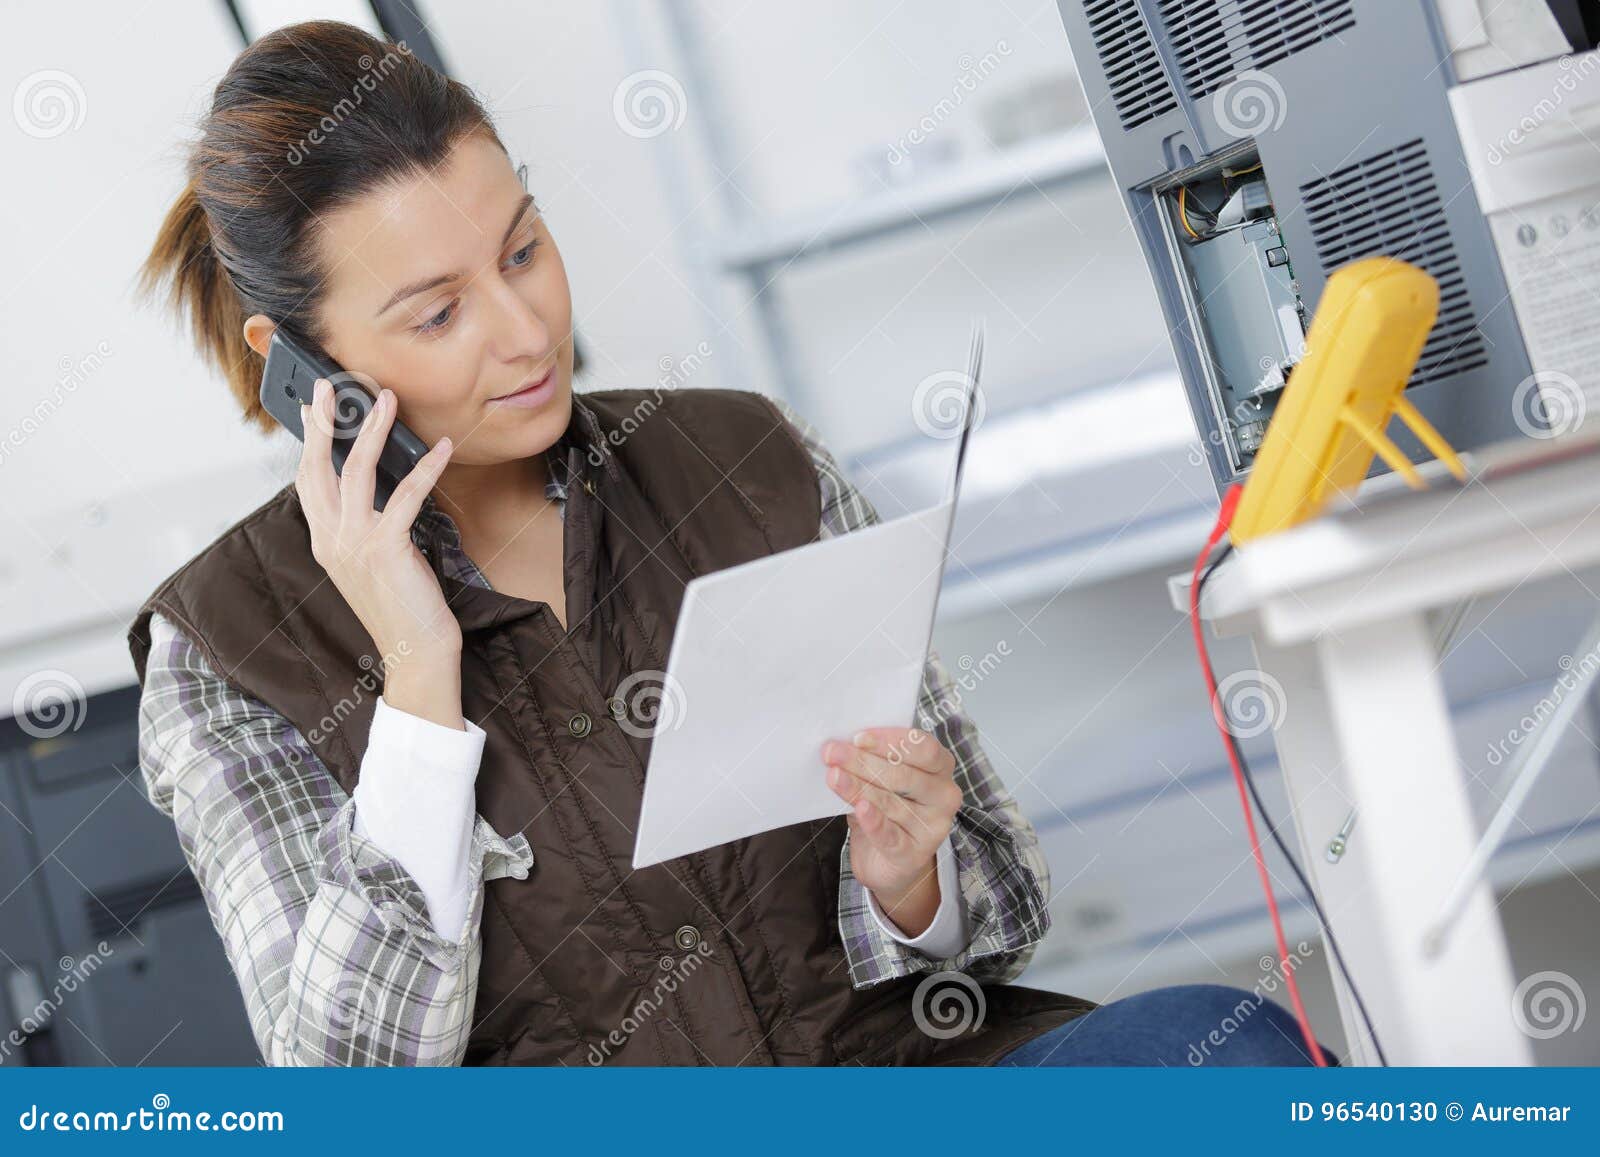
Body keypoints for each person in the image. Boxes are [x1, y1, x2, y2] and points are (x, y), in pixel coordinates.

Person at [129, 18, 1336, 1068]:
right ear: (298, 368)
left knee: (1222, 1045)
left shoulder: (740, 461)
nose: (524, 328)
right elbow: (349, 1080)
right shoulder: (224, 650)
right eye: (439, 312)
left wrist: (906, 876)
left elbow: (1001, 901)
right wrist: (414, 675)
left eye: (524, 251)